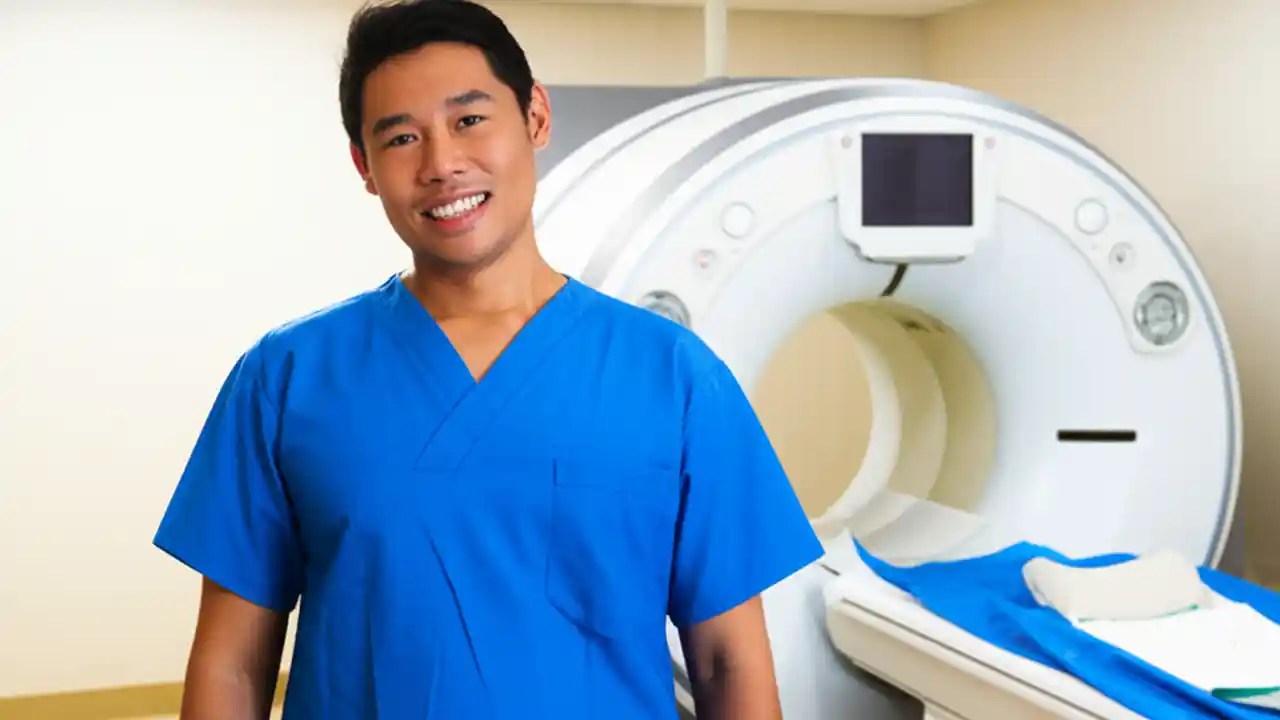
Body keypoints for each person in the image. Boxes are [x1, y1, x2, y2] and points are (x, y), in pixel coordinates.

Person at [153, 1, 824, 718]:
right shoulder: (285, 380)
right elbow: (231, 665)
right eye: (402, 137)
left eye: (469, 120)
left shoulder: (675, 378)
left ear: (535, 117)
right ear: (365, 166)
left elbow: (730, 662)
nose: (442, 163)